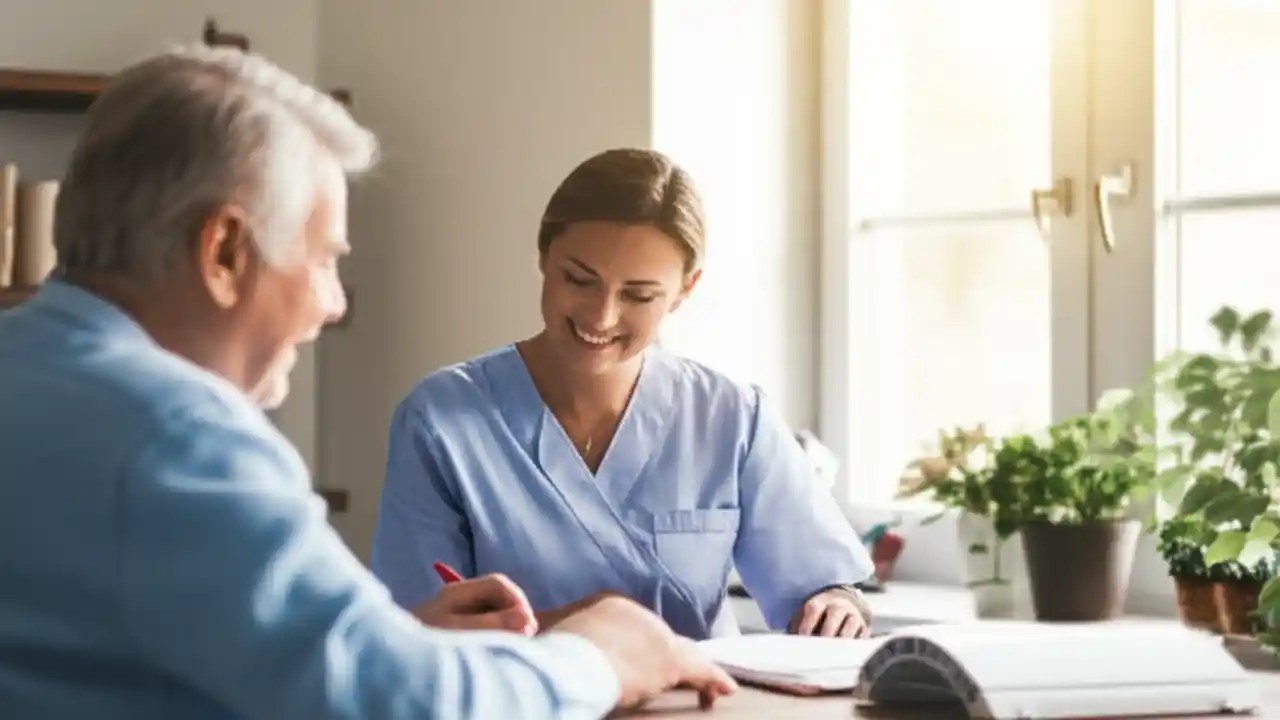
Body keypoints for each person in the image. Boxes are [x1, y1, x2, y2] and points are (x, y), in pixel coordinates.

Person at [0, 46, 735, 719]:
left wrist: (394, 643)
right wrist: (602, 655)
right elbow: (406, 710)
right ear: (223, 250)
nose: (334, 301)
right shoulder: (180, 440)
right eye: (324, 259)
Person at [372, 148, 875, 641]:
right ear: (544, 257)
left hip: (703, 704)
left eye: (638, 295)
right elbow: (422, 627)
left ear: (684, 290)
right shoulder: (441, 420)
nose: (601, 316)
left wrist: (835, 602)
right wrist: (595, 627)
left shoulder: (733, 418)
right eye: (579, 280)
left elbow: (823, 586)